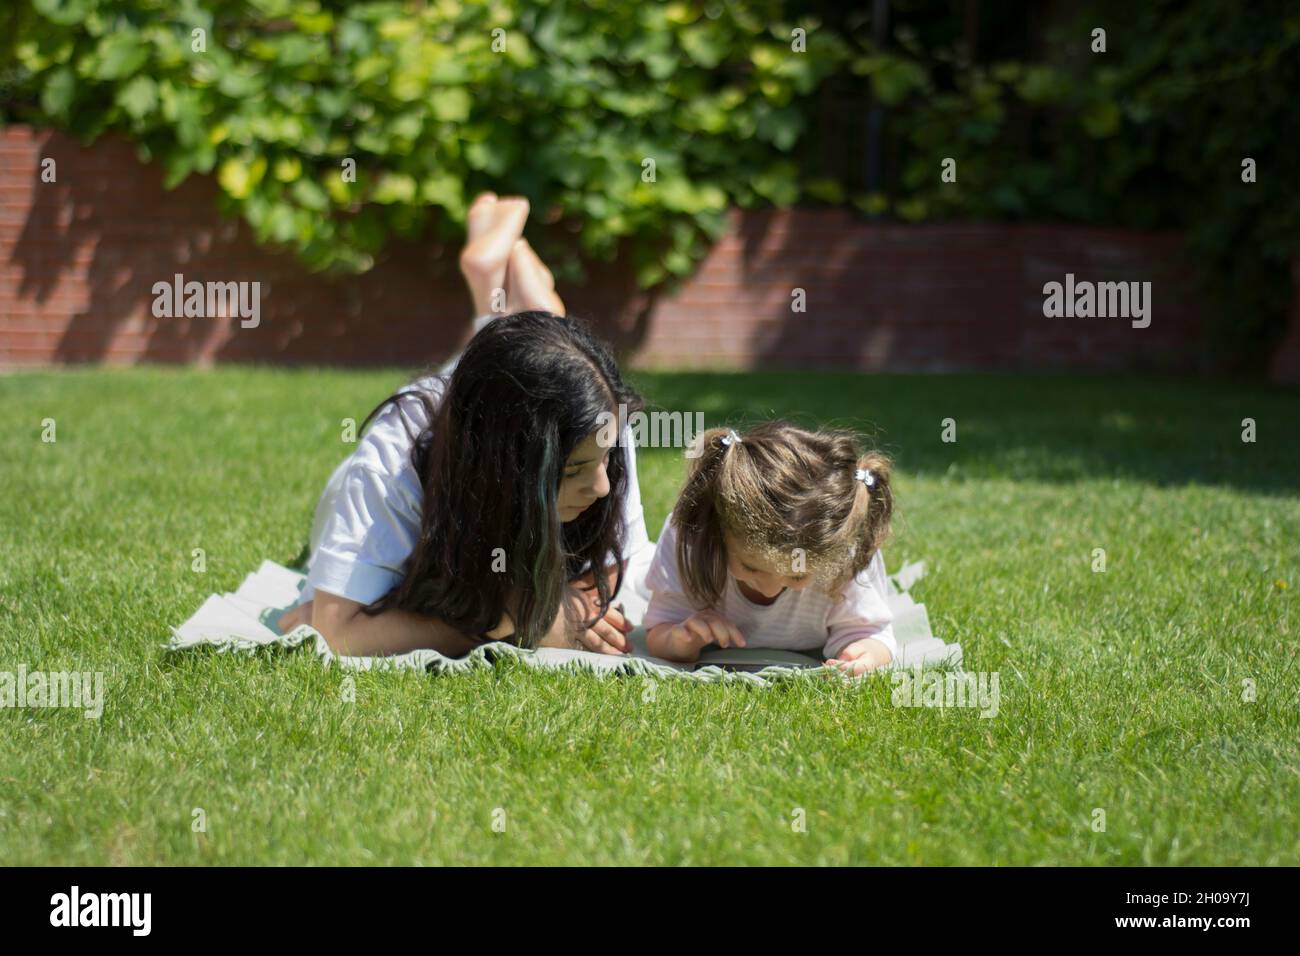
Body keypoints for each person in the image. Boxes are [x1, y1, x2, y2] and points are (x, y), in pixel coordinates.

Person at [277, 194, 655, 656]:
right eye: (574, 470)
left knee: (539, 367)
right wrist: (515, 619)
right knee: (509, 381)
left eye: (604, 460)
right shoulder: (394, 462)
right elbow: (339, 632)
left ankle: (527, 311)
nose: (600, 486)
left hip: (499, 407)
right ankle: (516, 306)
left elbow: (612, 569)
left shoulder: (598, 423)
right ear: (504, 464)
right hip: (431, 447)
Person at [643, 423, 898, 676]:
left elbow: (872, 635)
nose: (769, 588)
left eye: (797, 575)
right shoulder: (691, 538)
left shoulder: (844, 547)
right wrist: (682, 639)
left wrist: (863, 653)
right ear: (719, 530)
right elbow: (660, 631)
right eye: (750, 567)